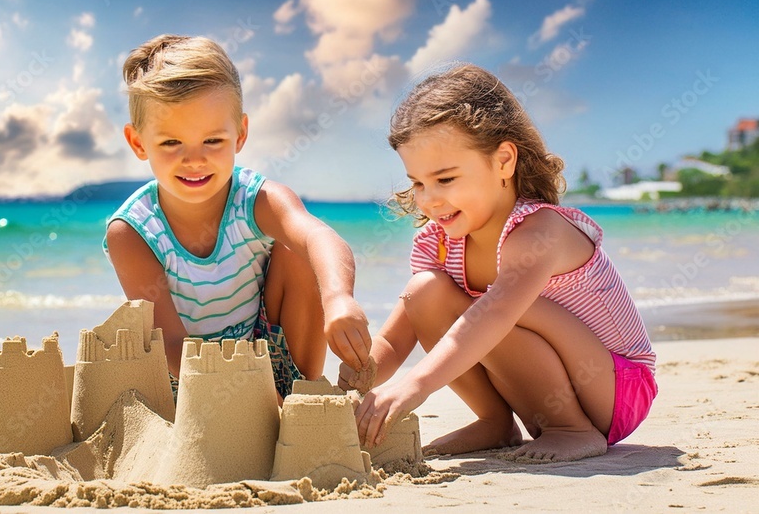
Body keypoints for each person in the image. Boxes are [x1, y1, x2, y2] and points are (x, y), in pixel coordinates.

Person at [344, 63, 656, 462]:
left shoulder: (539, 232)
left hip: (615, 387)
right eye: (418, 182)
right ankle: (495, 421)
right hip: (543, 382)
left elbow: (493, 315)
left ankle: (570, 429)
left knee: (496, 308)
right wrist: (352, 384)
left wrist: (416, 385)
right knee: (424, 293)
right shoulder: (437, 244)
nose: (428, 199)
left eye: (445, 179)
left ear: (504, 161)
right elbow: (396, 335)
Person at [104, 34, 373, 400]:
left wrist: (339, 297)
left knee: (298, 248)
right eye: (171, 143)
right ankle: (265, 404)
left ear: (240, 134)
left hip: (267, 361)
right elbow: (168, 341)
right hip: (188, 381)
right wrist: (243, 398)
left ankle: (301, 394)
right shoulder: (132, 231)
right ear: (138, 143)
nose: (194, 159)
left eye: (212, 141)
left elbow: (319, 238)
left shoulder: (257, 199)